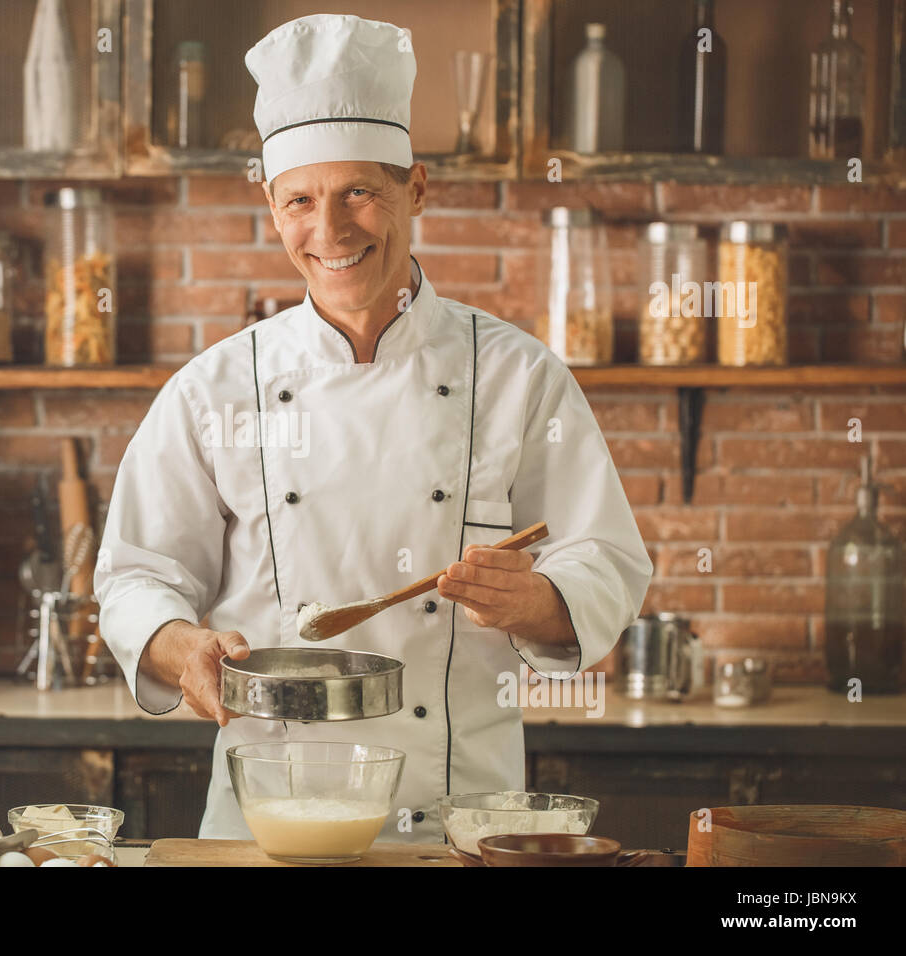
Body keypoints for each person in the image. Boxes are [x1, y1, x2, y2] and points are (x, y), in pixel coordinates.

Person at [93, 13, 652, 842]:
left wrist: (537, 599)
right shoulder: (214, 388)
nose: (331, 231)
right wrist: (181, 647)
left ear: (416, 190)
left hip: (459, 829)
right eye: (301, 201)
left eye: (360, 191)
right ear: (272, 206)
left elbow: (604, 558)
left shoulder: (519, 376)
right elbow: (136, 575)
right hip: (260, 832)